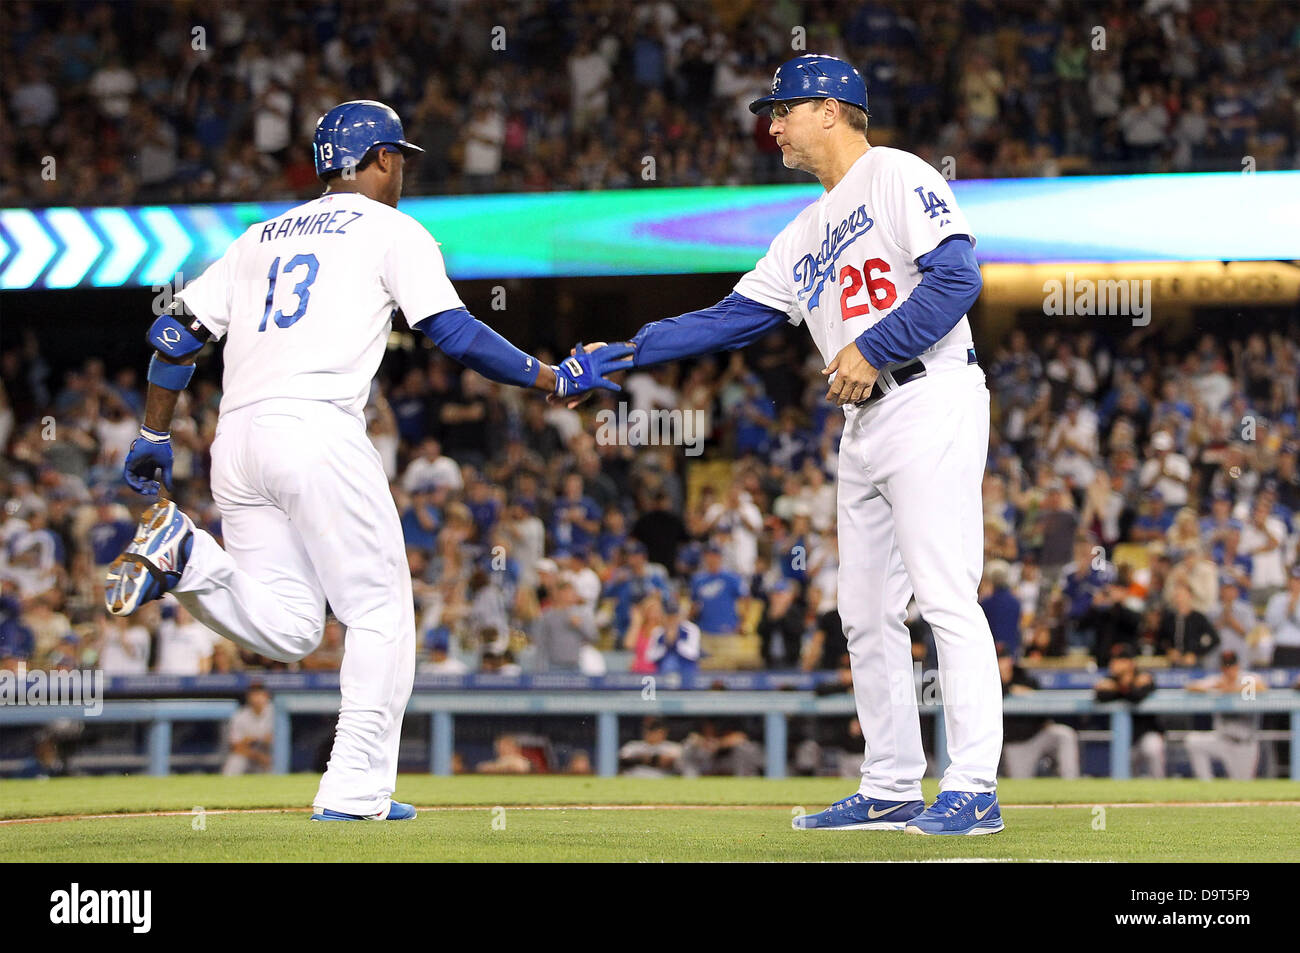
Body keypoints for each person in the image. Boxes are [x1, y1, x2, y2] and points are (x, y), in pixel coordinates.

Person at [103, 101, 630, 822]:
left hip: (238, 439)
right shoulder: (390, 228)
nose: (403, 171)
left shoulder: (258, 236)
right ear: (382, 157)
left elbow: (175, 335)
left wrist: (156, 434)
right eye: (400, 157)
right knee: (379, 611)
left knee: (291, 626)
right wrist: (551, 377)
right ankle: (352, 791)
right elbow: (453, 331)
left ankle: (187, 555)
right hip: (317, 429)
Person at [579, 55, 999, 834]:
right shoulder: (803, 230)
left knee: (944, 595)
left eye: (783, 110)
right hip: (865, 419)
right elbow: (724, 319)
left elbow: (956, 280)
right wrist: (621, 352)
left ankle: (972, 785)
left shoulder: (897, 174)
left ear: (832, 109)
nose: (771, 125)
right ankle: (893, 783)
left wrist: (874, 346)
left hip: (928, 391)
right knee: (865, 614)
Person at [998, 648, 1080, 779]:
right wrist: (1008, 688)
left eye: (1005, 659)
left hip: (1039, 734)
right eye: (999, 660)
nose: (1003, 663)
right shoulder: (989, 683)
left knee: (1064, 735)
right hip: (1016, 743)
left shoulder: (1024, 677)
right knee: (1020, 785)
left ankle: (1071, 784)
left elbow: (1041, 703)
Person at [1185, 651, 1266, 780]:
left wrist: (1231, 690)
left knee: (1243, 787)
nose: (1229, 670)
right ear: (1222, 667)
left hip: (1244, 743)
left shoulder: (1247, 678)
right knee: (1193, 742)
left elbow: (1261, 687)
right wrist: (1213, 689)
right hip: (1221, 739)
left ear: (1238, 666)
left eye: (1232, 666)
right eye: (1226, 666)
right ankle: (1207, 785)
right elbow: (1191, 687)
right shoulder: (1217, 680)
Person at [1094, 644, 1165, 778]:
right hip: (1124, 739)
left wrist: (1119, 688)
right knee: (1123, 775)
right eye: (1113, 660)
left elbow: (1136, 696)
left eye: (1119, 660)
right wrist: (1124, 687)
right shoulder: (1111, 680)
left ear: (1130, 663)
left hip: (1146, 734)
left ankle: (1160, 786)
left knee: (1153, 747)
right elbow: (1099, 696)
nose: (1113, 664)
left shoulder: (1144, 676)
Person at [222, 684, 274, 776]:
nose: (257, 698)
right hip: (248, 753)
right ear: (248, 697)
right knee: (235, 761)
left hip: (269, 753)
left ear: (266, 696)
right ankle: (227, 788)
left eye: (260, 694)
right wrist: (258, 756)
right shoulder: (240, 715)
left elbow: (278, 741)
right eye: (254, 695)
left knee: (276, 761)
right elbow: (236, 746)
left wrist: (255, 739)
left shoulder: (276, 713)